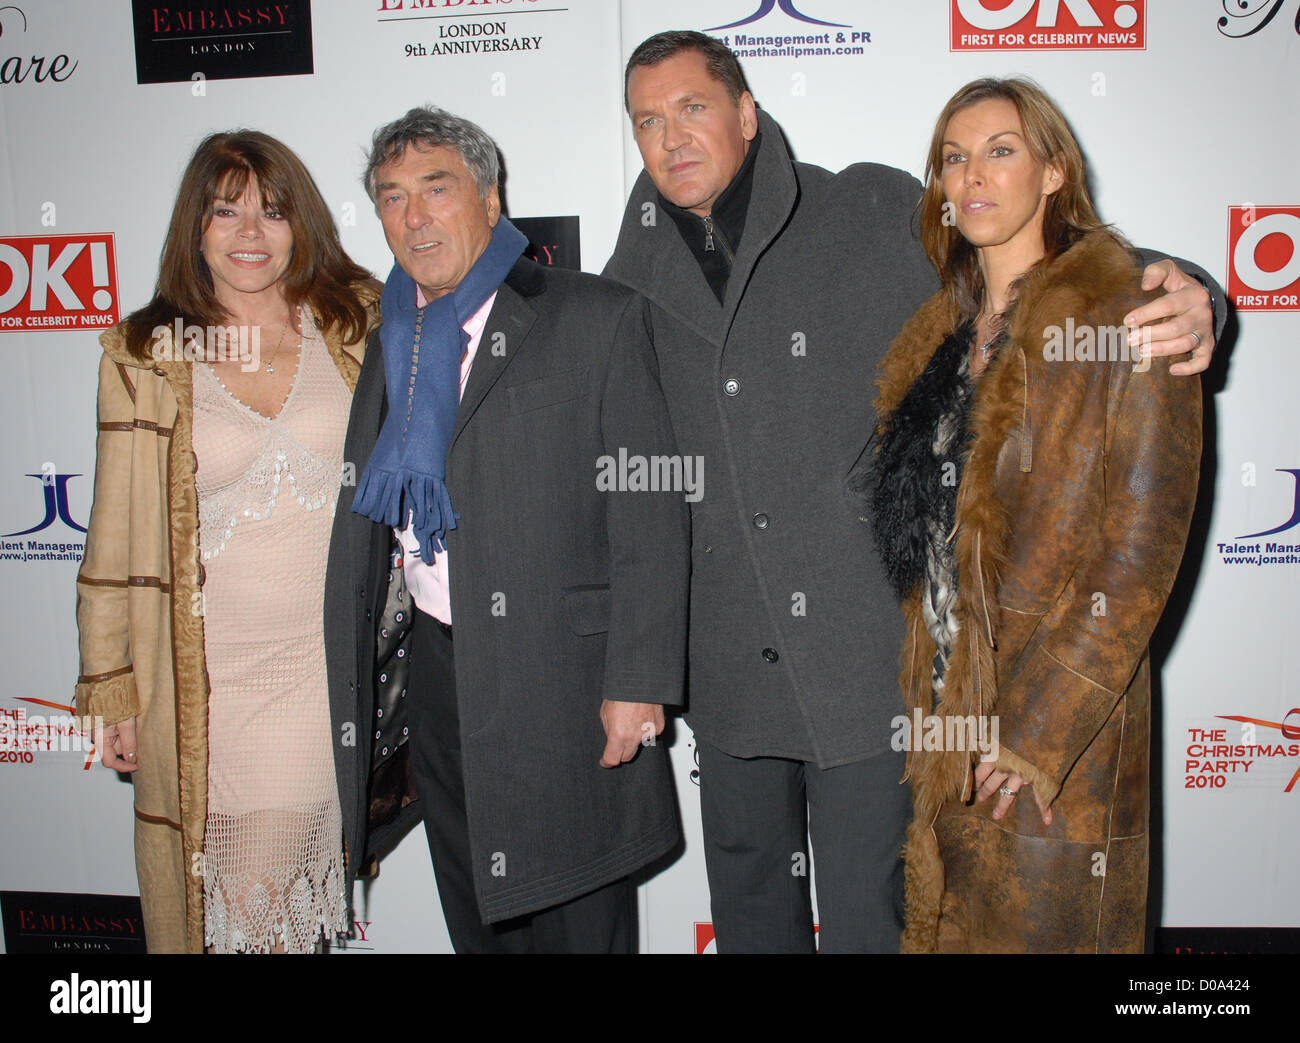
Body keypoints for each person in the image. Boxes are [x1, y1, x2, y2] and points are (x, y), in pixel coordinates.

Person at [603, 30, 1221, 953]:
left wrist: (1190, 289)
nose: (671, 137)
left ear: (745, 113)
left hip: (868, 663)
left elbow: (1022, 258)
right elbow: (629, 479)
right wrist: (642, 667)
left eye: (692, 107)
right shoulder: (633, 267)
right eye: (647, 121)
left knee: (872, 921)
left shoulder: (866, 205)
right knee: (752, 921)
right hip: (727, 669)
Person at [325, 106, 689, 953]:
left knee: (578, 919)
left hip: (567, 678)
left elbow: (651, 510)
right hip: (442, 675)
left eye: (436, 187)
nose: (412, 216)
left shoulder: (596, 316)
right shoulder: (393, 344)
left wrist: (636, 679)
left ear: (490, 198)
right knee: (479, 913)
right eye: (390, 197)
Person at [867, 77, 1201, 953]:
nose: (971, 176)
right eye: (953, 157)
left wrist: (1033, 734)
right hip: (948, 716)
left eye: (1000, 150)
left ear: (1054, 171)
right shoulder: (939, 336)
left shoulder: (1132, 318)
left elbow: (1137, 555)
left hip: (1060, 746)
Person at [75, 131, 380, 953]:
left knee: (260, 920)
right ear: (195, 228)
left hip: (313, 673)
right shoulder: (146, 354)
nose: (251, 232)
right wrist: (112, 688)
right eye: (226, 210)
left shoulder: (356, 323)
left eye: (273, 211)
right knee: (213, 922)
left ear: (301, 223)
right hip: (198, 678)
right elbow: (114, 537)